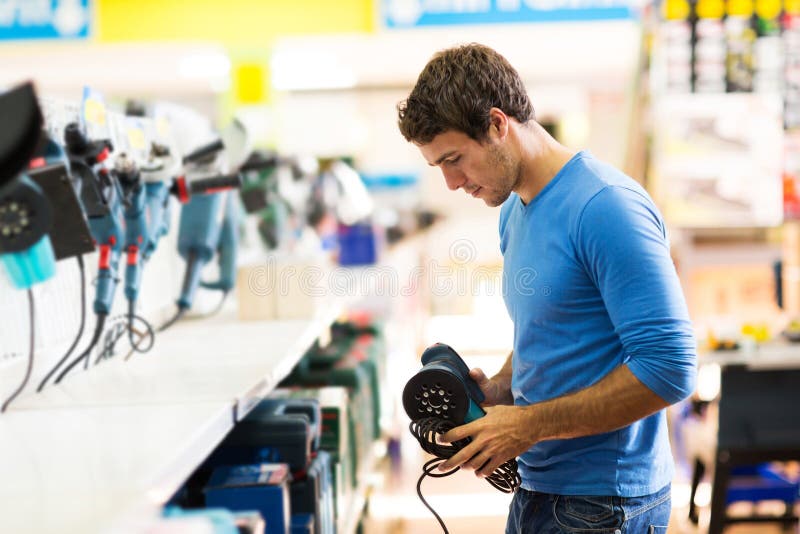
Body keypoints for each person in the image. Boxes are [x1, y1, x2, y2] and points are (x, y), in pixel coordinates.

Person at [397, 43, 697, 533]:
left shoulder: (605, 206)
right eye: (439, 167)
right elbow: (549, 329)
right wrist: (500, 390)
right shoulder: (515, 210)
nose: (452, 183)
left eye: (455, 159)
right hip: (542, 490)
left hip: (606, 504)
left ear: (497, 124)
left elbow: (671, 367)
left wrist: (529, 425)